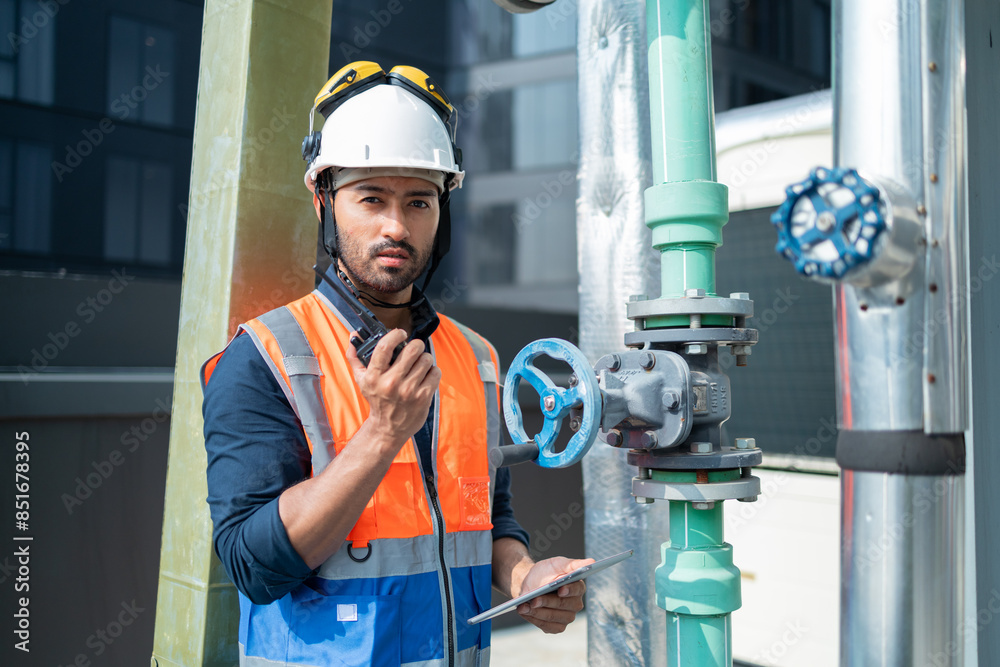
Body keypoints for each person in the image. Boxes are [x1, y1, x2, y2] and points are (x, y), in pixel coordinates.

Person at [202, 61, 591, 667]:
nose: (396, 226)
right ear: (324, 201)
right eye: (371, 198)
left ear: (443, 210)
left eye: (418, 201)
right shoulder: (265, 356)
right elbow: (254, 567)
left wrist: (523, 578)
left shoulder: (477, 358)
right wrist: (382, 433)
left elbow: (487, 516)